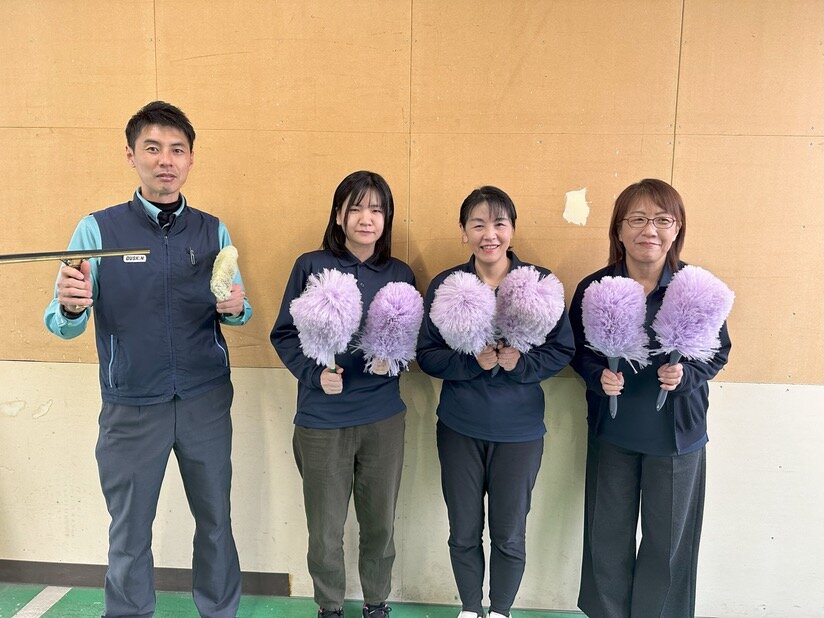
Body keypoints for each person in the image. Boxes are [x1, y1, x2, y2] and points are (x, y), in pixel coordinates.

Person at [44, 101, 252, 618]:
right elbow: (62, 319)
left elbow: (235, 306)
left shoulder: (213, 231)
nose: (165, 160)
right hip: (131, 405)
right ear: (131, 155)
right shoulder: (97, 230)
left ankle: (219, 611)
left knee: (216, 522)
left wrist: (237, 308)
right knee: (130, 530)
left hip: (205, 400)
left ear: (191, 159)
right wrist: (70, 306)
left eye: (177, 150)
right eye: (153, 148)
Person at [568, 179, 732, 618]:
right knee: (606, 537)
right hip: (613, 432)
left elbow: (719, 352)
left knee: (668, 545)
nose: (650, 230)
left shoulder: (695, 288)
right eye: (637, 219)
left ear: (677, 229)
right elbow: (577, 351)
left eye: (662, 220)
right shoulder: (596, 287)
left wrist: (687, 374)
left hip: (677, 436)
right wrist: (597, 375)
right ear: (619, 230)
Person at [416, 186, 575, 618]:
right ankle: (471, 608)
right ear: (464, 232)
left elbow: (563, 350)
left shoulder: (538, 286)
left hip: (519, 432)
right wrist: (471, 362)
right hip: (459, 428)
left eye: (499, 223)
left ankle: (501, 610)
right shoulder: (448, 286)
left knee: (509, 533)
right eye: (478, 224)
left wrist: (521, 364)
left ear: (512, 229)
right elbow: (427, 354)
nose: (490, 234)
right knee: (463, 531)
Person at [271, 170, 414, 618]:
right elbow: (284, 335)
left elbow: (414, 340)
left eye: (376, 209)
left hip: (383, 419)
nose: (366, 218)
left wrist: (395, 361)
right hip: (322, 421)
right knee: (325, 530)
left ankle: (376, 602)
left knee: (380, 525)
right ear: (338, 216)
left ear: (387, 219)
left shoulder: (399, 273)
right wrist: (315, 376)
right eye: (356, 208)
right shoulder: (310, 266)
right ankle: (329, 606)